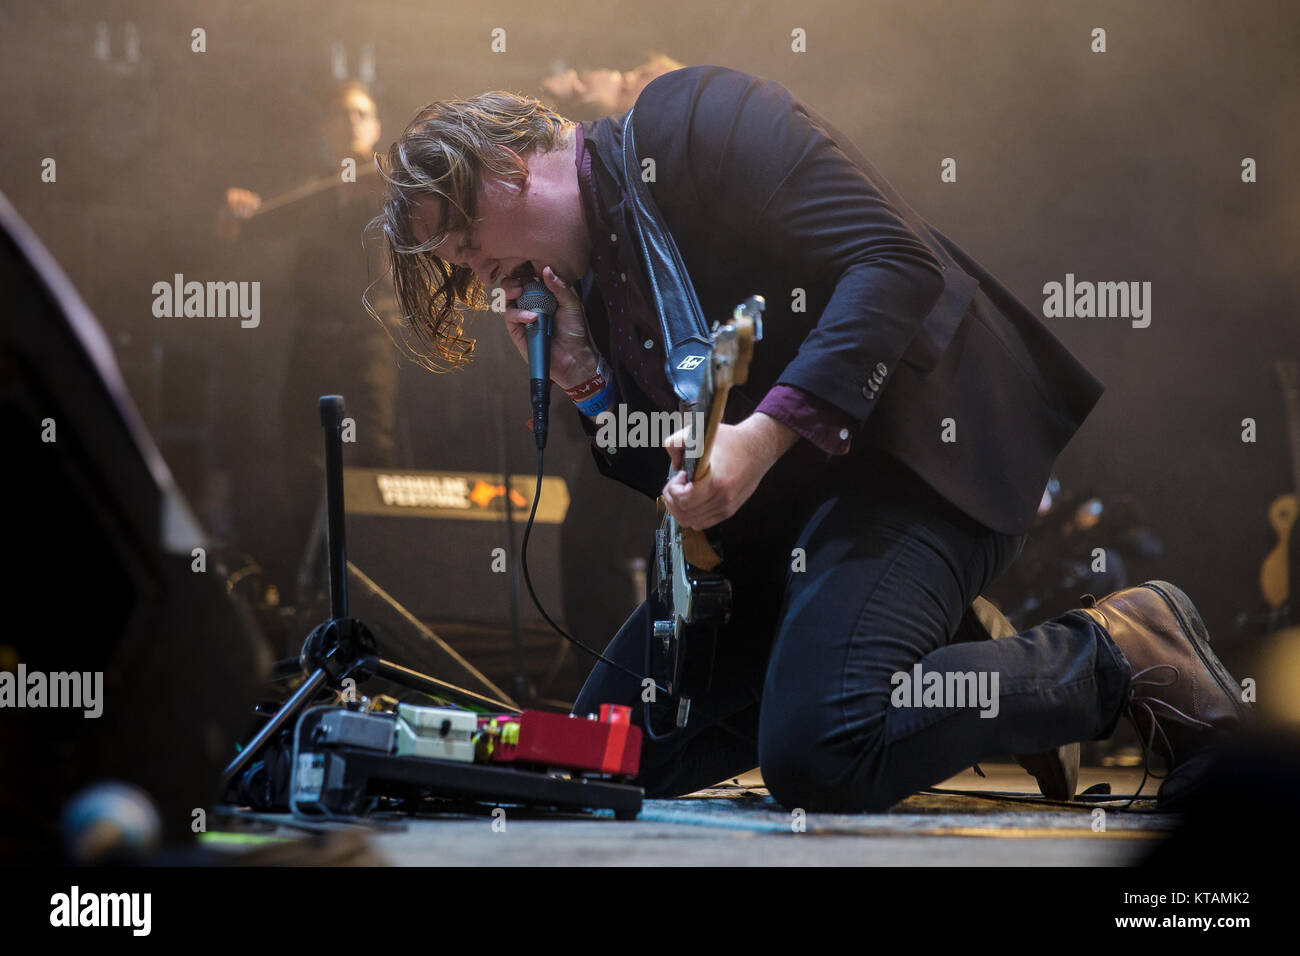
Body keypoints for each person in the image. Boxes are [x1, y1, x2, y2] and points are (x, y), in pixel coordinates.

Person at [368, 65, 1251, 810]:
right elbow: (682, 478)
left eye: (460, 240)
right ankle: (935, 645)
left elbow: (895, 261)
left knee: (822, 752)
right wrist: (589, 385)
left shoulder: (696, 118)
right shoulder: (589, 294)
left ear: (506, 168)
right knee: (602, 759)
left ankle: (1123, 651)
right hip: (780, 530)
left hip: (914, 461)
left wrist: (768, 431)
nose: (471, 274)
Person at [219, 79, 402, 599]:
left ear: (376, 126)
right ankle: (313, 591)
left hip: (370, 340)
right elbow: (239, 231)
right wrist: (236, 213)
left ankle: (379, 591)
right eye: (342, 113)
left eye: (362, 113)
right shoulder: (306, 191)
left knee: (373, 457)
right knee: (302, 458)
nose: (352, 122)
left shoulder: (395, 182)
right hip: (312, 343)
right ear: (324, 127)